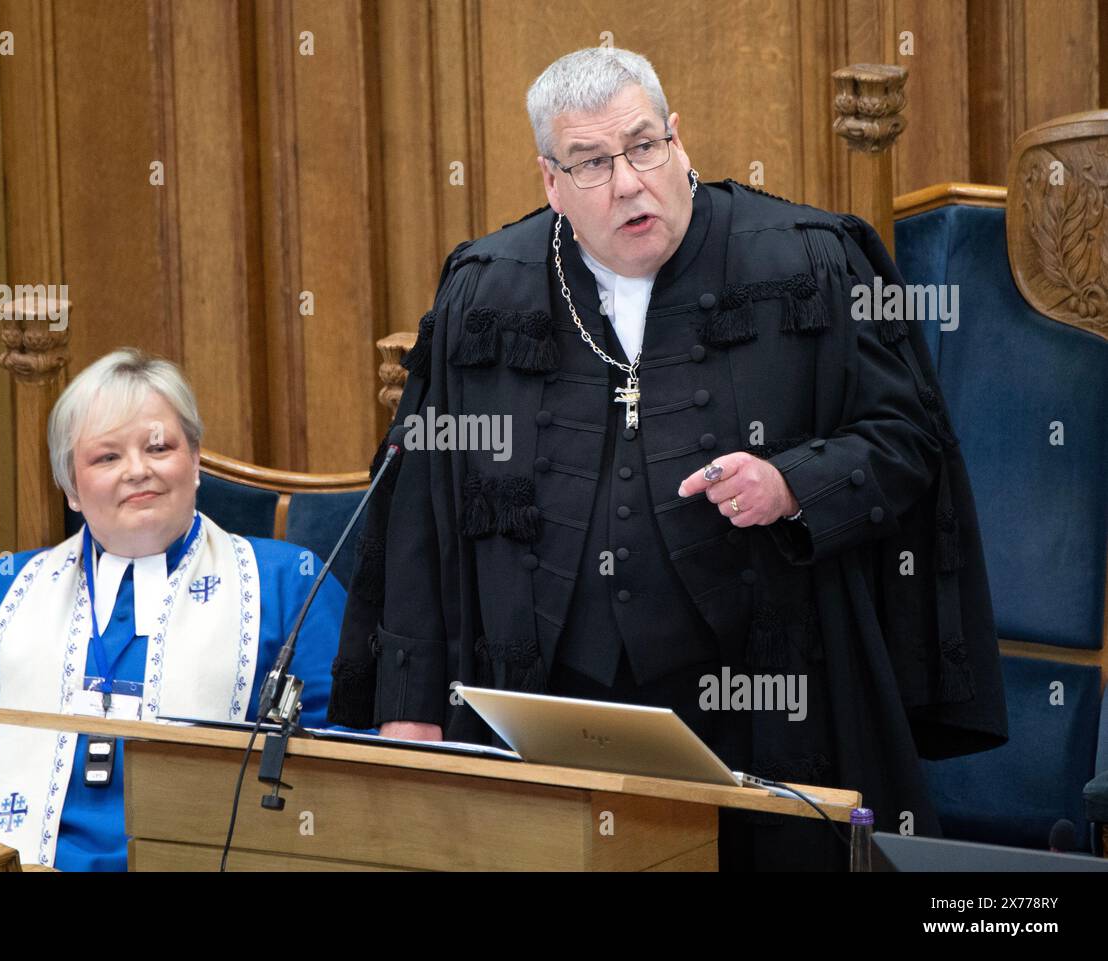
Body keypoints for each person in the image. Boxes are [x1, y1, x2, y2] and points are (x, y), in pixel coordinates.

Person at [328, 47, 1006, 870]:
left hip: (763, 707)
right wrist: (409, 706)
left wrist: (794, 482)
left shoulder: (810, 261)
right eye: (591, 163)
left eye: (644, 147)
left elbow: (911, 439)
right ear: (550, 181)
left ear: (677, 139)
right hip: (546, 704)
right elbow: (416, 511)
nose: (627, 182)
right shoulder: (485, 291)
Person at [0, 349, 345, 870]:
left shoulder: (288, 585)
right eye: (107, 456)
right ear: (70, 487)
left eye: (159, 448)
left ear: (196, 460)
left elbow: (340, 768)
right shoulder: (6, 592)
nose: (138, 470)